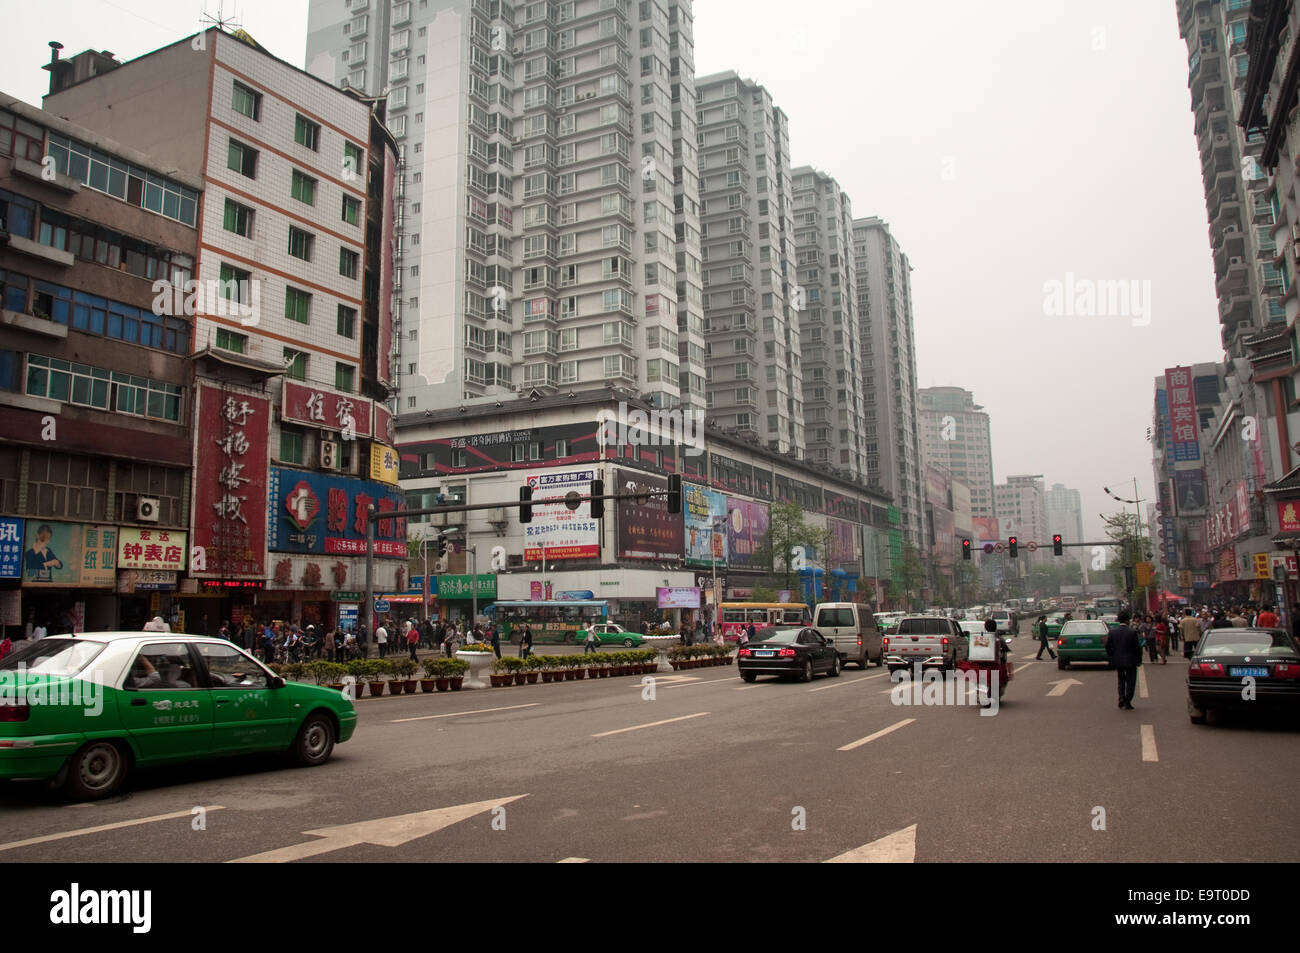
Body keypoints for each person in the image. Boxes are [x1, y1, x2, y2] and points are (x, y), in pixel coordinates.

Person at [1105, 609, 1142, 710]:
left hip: (1118, 660)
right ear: (1127, 620)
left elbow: (1108, 646)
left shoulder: (1112, 632)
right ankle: (1127, 700)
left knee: (1121, 680)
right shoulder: (1132, 632)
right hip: (1131, 660)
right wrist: (1139, 660)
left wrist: (1112, 656)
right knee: (1131, 681)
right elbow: (1137, 648)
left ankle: (1121, 697)